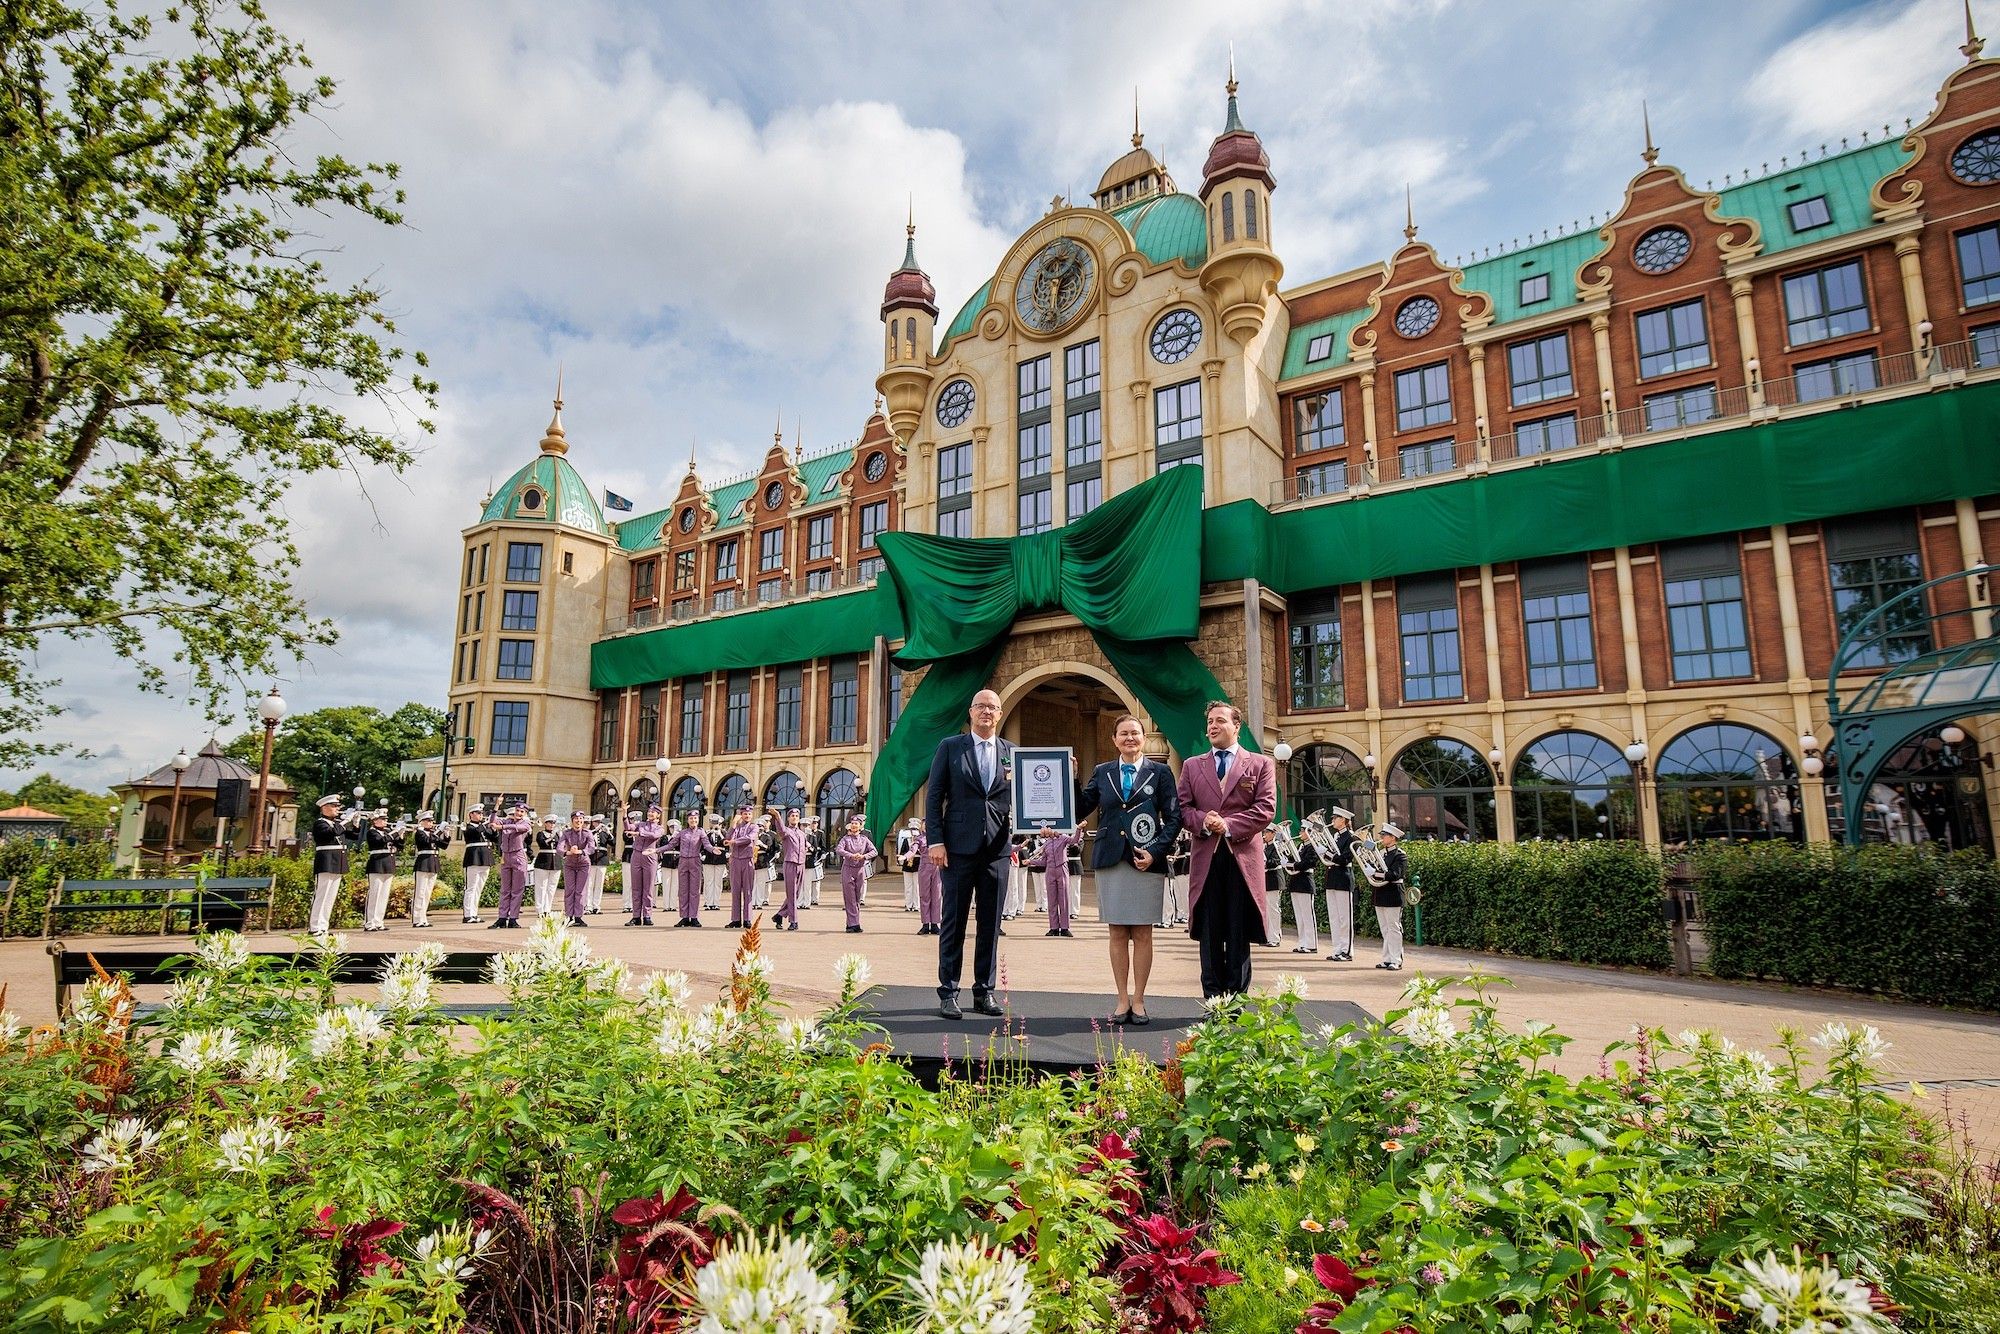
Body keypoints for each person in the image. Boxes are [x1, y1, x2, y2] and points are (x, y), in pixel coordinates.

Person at [1077, 716, 1180, 1025]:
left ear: (1144, 737)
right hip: (1111, 859)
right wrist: (1069, 777)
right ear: (1114, 739)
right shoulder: (1102, 772)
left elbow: (1174, 817)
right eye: (1124, 733)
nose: (1130, 738)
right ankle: (1122, 999)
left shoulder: (1160, 773)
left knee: (1143, 932)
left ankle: (1139, 1000)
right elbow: (1082, 806)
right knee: (1117, 931)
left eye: (1135, 733)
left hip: (1146, 860)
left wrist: (1155, 851)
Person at [1177, 699, 1277, 999]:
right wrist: (1203, 820)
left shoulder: (1260, 764)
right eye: (1209, 721)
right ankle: (1212, 999)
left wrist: (1229, 824)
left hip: (1241, 858)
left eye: (1220, 720)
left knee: (1238, 929)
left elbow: (1266, 808)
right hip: (1206, 859)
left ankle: (1235, 1001)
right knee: (1209, 930)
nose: (1212, 726)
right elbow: (1183, 808)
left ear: (1237, 725)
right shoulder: (1193, 766)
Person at [925, 688, 1013, 1021]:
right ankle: (948, 992)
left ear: (1000, 713)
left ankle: (984, 992)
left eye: (993, 707)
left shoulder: (1011, 752)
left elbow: (1024, 796)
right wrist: (935, 841)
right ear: (971, 712)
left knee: (990, 925)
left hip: (997, 851)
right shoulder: (950, 747)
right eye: (981, 706)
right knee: (954, 922)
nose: (987, 712)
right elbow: (934, 798)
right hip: (957, 849)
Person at [307, 793, 348, 937]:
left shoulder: (334, 824)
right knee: (321, 894)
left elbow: (352, 835)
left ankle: (323, 925)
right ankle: (314, 926)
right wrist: (344, 822)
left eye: (338, 806)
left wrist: (354, 824)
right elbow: (332, 833)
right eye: (334, 806)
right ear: (324, 808)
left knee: (330, 896)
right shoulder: (320, 823)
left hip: (337, 861)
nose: (337, 809)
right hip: (326, 861)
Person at [1322, 807, 1357, 962]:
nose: (1332, 821)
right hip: (1332, 878)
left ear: (1343, 820)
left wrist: (1329, 854)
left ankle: (1347, 951)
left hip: (1343, 877)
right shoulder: (1335, 836)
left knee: (1345, 917)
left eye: (1335, 818)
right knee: (1334, 917)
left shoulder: (1351, 837)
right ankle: (1337, 949)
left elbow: (1345, 859)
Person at [1374, 822, 1408, 970]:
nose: (1382, 838)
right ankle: (1387, 958)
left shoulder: (1400, 855)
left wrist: (1377, 874)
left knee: (1394, 928)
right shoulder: (1381, 854)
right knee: (1385, 928)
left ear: (1393, 838)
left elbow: (1395, 874)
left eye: (1384, 836)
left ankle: (1396, 959)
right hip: (1380, 893)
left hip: (1393, 893)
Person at [492, 803, 533, 929]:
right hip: (506, 856)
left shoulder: (525, 823)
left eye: (522, 811)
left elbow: (516, 828)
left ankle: (513, 918)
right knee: (505, 889)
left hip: (518, 856)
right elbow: (492, 821)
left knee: (517, 890)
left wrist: (501, 826)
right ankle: (502, 917)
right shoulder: (507, 820)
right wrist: (496, 807)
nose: (518, 813)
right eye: (517, 810)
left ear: (525, 814)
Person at [1033, 826, 1079, 937]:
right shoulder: (1047, 843)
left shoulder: (1063, 838)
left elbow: (1074, 840)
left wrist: (1079, 829)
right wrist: (1030, 861)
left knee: (1063, 899)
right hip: (1050, 871)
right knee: (1051, 900)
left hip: (1061, 869)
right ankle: (1053, 927)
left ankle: (1064, 927)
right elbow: (1043, 861)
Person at [1285, 823, 1323, 954]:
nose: (1300, 832)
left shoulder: (1312, 847)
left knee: (1307, 915)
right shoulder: (1301, 846)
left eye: (1303, 830)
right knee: (1299, 915)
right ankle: (1303, 942)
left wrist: (1294, 865)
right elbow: (1293, 859)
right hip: (1296, 882)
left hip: (1305, 881)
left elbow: (1309, 862)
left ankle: (1311, 944)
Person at [835, 815, 877, 933]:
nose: (854, 826)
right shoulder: (845, 839)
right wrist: (850, 855)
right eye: (852, 824)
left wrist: (864, 856)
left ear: (860, 827)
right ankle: (854, 923)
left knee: (857, 898)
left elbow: (874, 851)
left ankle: (851, 924)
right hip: (848, 869)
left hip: (860, 870)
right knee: (850, 898)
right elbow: (839, 849)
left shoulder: (864, 839)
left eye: (856, 824)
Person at [362, 810, 401, 932]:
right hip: (377, 864)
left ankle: (379, 921)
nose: (386, 821)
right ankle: (370, 922)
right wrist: (395, 832)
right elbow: (380, 841)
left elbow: (399, 845)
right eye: (383, 819)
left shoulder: (387, 832)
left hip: (388, 864)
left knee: (384, 895)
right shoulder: (372, 832)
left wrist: (401, 835)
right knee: (375, 894)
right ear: (375, 821)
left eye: (385, 819)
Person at [410, 811, 450, 928]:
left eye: (432, 821)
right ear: (422, 822)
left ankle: (423, 917)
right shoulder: (420, 833)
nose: (431, 823)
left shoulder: (432, 834)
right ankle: (417, 918)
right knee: (420, 892)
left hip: (433, 863)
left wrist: (446, 835)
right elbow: (427, 841)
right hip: (423, 862)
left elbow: (443, 845)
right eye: (428, 821)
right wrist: (439, 831)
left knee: (427, 893)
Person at [626, 805, 663, 926]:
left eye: (653, 812)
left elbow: (654, 836)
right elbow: (628, 828)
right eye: (649, 811)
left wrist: (639, 833)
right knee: (636, 887)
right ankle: (636, 916)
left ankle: (647, 915)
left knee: (648, 888)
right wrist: (624, 814)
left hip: (649, 855)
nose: (650, 813)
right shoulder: (640, 824)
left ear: (658, 815)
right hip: (636, 855)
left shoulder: (659, 828)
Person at [458, 804, 494, 924]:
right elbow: (476, 832)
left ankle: (474, 913)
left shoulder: (482, 827)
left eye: (481, 813)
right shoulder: (467, 827)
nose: (481, 815)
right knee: (470, 888)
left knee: (478, 888)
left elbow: (494, 837)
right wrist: (486, 824)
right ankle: (468, 915)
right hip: (473, 859)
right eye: (478, 813)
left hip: (485, 859)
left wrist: (493, 828)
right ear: (471, 815)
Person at [669, 815, 707, 926]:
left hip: (695, 861)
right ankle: (685, 917)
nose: (693, 820)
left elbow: (706, 844)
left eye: (695, 819)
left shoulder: (701, 832)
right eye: (691, 818)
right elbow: (671, 844)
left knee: (694, 891)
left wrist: (713, 849)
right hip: (683, 861)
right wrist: (656, 850)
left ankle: (694, 917)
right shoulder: (682, 833)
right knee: (683, 890)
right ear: (687, 820)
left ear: (698, 820)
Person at [560, 810, 594, 927]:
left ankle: (578, 917)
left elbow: (592, 848)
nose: (578, 821)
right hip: (569, 864)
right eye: (576, 819)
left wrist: (581, 851)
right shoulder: (566, 833)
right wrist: (567, 852)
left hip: (583, 864)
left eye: (580, 819)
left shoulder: (587, 833)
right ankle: (569, 916)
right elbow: (559, 848)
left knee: (580, 890)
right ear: (572, 821)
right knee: (569, 890)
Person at [778, 808, 809, 931]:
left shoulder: (802, 834)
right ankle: (793, 921)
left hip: (801, 864)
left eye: (796, 815)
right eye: (792, 816)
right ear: (788, 818)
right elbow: (780, 829)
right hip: (790, 863)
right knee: (791, 893)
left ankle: (779, 915)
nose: (794, 817)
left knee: (796, 894)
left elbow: (805, 846)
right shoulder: (786, 831)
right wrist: (777, 817)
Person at [725, 809, 757, 928]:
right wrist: (733, 823)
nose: (747, 816)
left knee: (748, 890)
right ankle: (736, 919)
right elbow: (727, 837)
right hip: (735, 861)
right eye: (745, 814)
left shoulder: (754, 827)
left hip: (747, 860)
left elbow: (749, 839)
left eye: (749, 814)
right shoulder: (737, 827)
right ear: (741, 815)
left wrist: (734, 841)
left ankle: (748, 919)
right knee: (735, 890)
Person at [913, 825, 942, 935]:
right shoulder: (919, 839)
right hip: (924, 867)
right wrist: (906, 856)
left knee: (937, 896)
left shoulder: (939, 838)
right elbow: (913, 849)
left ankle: (935, 924)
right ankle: (925, 924)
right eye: (924, 824)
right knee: (924, 896)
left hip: (937, 867)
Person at [530, 817, 561, 917]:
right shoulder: (541, 834)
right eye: (550, 823)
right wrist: (552, 836)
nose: (552, 825)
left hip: (555, 862)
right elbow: (542, 843)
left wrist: (560, 835)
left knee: (551, 887)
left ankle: (547, 909)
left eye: (553, 823)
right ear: (545, 824)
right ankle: (540, 909)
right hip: (543, 861)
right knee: (541, 887)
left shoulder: (557, 834)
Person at [701, 814, 727, 911]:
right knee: (708, 882)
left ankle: (716, 902)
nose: (716, 826)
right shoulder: (706, 834)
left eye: (718, 824)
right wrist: (702, 854)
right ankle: (708, 902)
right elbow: (702, 845)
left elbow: (727, 844)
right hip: (708, 858)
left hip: (720, 859)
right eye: (714, 824)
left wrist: (719, 833)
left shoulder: (723, 834)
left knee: (718, 882)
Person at [587, 815, 611, 915]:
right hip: (592, 860)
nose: (599, 824)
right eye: (597, 822)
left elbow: (612, 843)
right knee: (590, 884)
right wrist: (595, 830)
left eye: (600, 822)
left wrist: (609, 833)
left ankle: (596, 906)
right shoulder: (590, 833)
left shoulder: (605, 834)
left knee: (599, 885)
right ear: (593, 823)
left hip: (602, 860)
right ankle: (588, 906)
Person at [897, 819, 923, 913]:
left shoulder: (921, 839)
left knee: (917, 885)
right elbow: (902, 851)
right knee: (908, 885)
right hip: (907, 862)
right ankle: (908, 905)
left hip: (918, 861)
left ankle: (916, 905)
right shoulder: (906, 840)